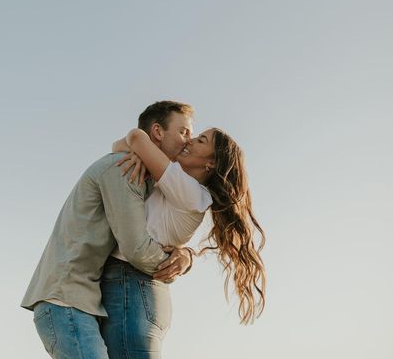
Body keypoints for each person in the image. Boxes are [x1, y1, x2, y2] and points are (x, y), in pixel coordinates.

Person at [21, 100, 194, 359]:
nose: (189, 140)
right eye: (184, 131)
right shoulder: (124, 168)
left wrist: (187, 254)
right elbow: (137, 249)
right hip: (65, 302)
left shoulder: (139, 171)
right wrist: (172, 267)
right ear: (158, 132)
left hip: (80, 303)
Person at [110, 123, 266, 326]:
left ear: (211, 163)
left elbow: (136, 138)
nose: (189, 140)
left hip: (130, 284)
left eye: (201, 140)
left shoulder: (189, 191)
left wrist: (138, 145)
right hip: (136, 286)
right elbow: (117, 148)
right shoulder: (180, 187)